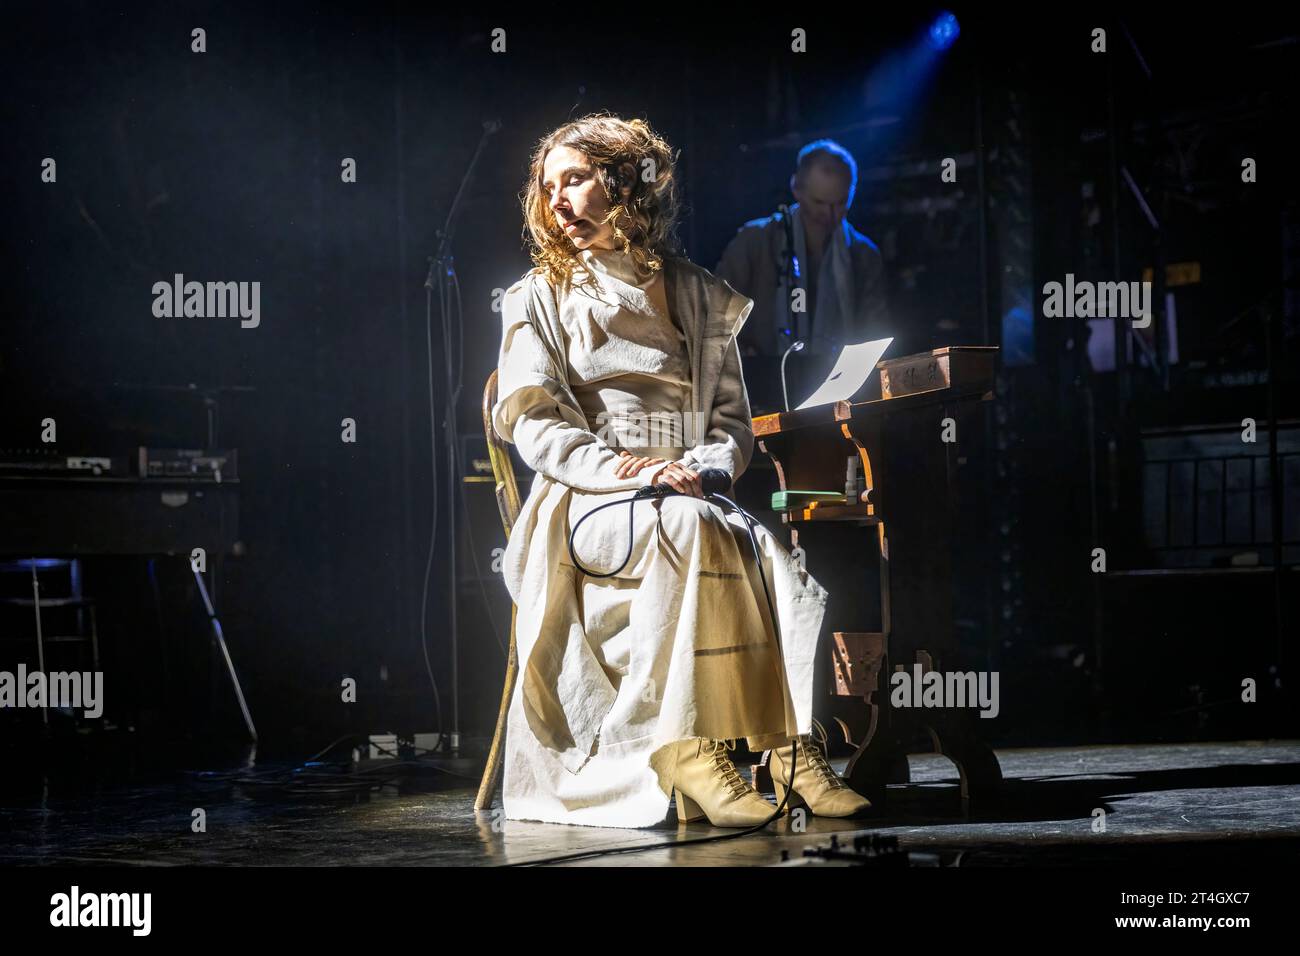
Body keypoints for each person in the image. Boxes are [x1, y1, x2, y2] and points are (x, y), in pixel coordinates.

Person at [491, 114, 871, 828]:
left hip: (683, 486)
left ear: (624, 181)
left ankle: (788, 747)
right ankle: (688, 748)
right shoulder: (535, 297)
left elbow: (730, 422)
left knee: (769, 550)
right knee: (695, 528)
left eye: (574, 179)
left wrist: (704, 465)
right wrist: (625, 469)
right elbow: (535, 424)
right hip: (585, 498)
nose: (558, 201)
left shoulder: (697, 292)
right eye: (548, 187)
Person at [716, 139, 889, 406]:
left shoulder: (864, 254)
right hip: (760, 389)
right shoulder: (755, 240)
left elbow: (872, 330)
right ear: (796, 188)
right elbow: (716, 314)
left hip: (841, 392)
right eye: (820, 202)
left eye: (841, 202)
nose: (830, 214)